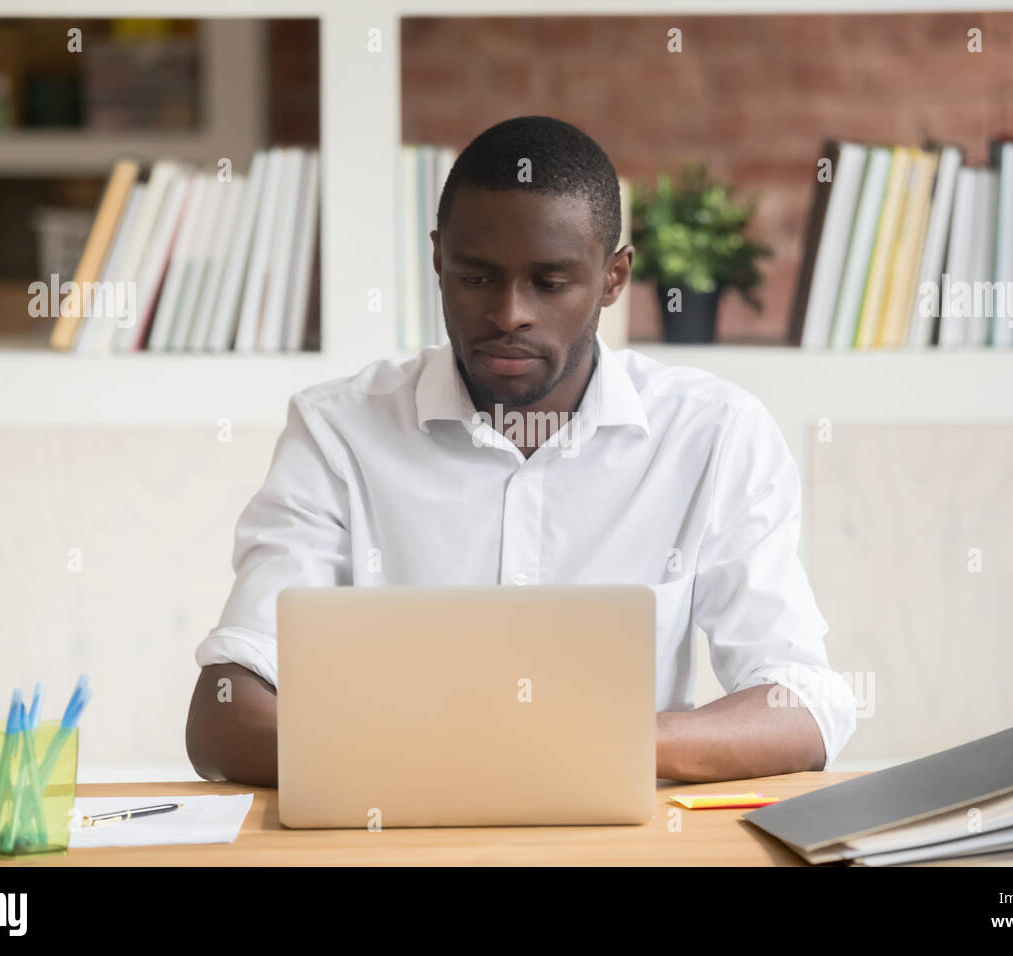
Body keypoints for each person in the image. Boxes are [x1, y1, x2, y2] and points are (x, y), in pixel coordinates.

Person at [186, 115, 856, 787]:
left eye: (550, 282)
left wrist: (596, 744)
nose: (510, 314)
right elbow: (223, 716)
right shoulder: (339, 433)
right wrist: (471, 761)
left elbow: (803, 704)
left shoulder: (714, 433)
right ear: (439, 260)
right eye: (478, 278)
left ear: (613, 277)